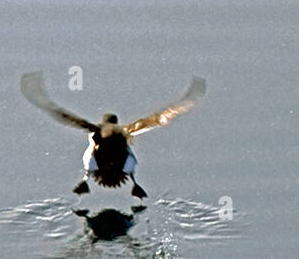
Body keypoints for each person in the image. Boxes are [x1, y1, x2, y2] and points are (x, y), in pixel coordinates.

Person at [20, 73, 206, 200]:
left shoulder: (96, 130)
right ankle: (134, 184)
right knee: (130, 154)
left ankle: (85, 181)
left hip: (96, 166)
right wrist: (190, 98)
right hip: (123, 168)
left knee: (90, 165)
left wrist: (37, 97)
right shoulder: (126, 131)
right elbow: (164, 116)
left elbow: (59, 113)